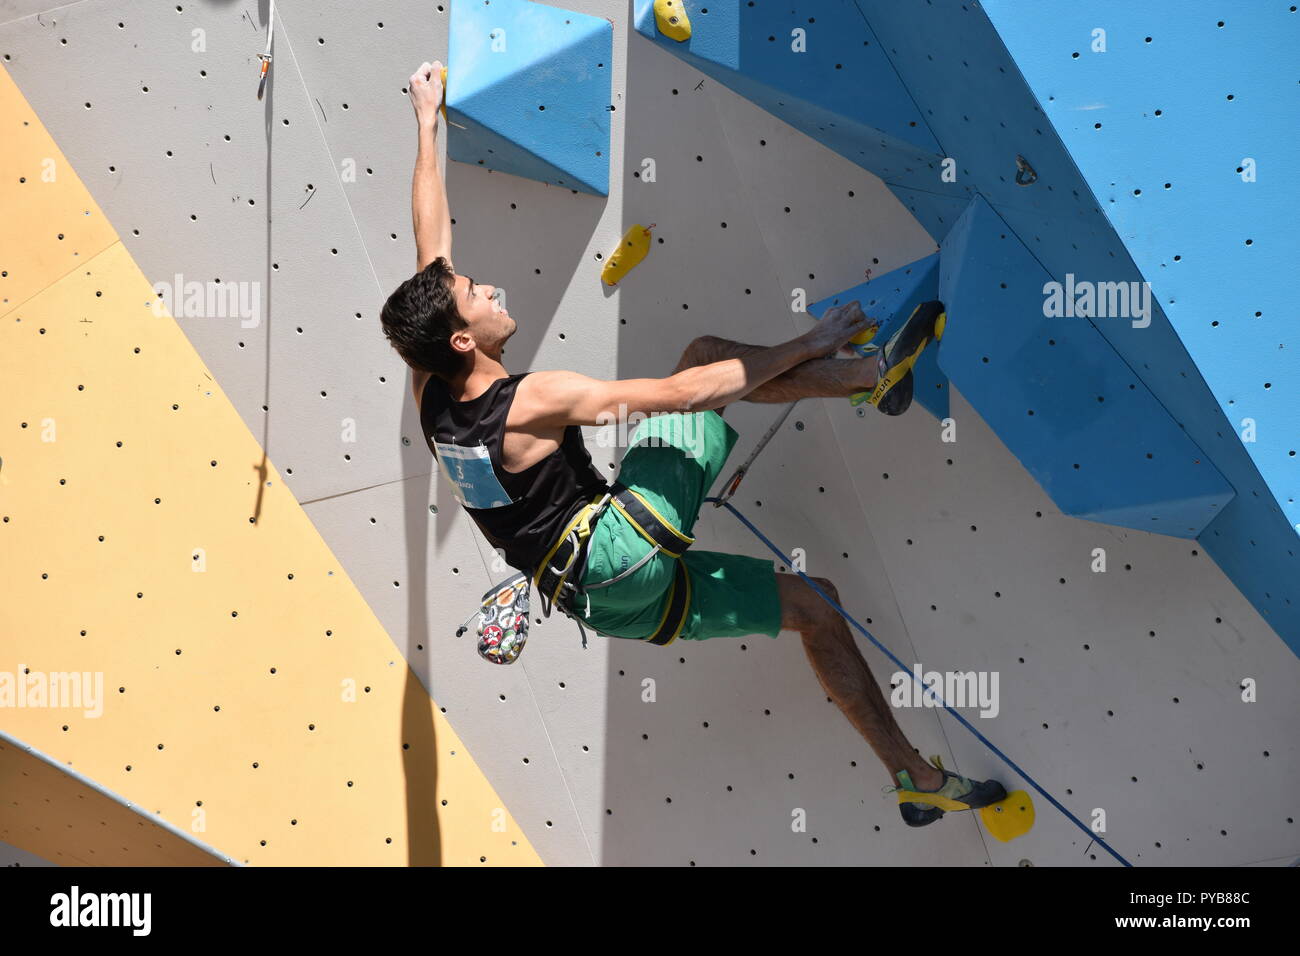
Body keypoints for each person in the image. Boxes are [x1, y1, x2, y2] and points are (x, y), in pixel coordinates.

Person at [380, 61, 1005, 828]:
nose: (490, 291)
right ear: (460, 337)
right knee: (706, 352)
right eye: (478, 297)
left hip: (603, 604)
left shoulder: (430, 389)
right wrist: (809, 341)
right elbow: (685, 393)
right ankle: (872, 375)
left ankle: (910, 776)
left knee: (816, 607)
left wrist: (425, 120)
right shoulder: (531, 399)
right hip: (619, 547)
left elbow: (429, 242)